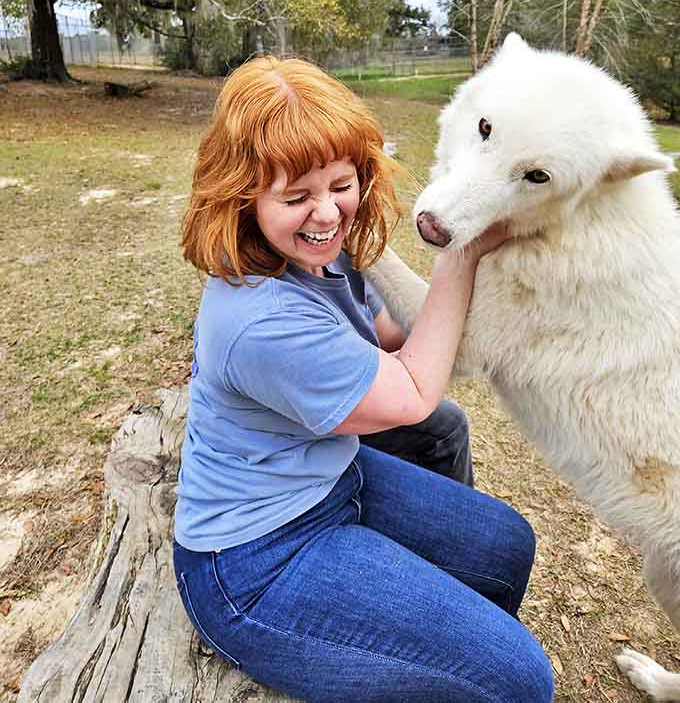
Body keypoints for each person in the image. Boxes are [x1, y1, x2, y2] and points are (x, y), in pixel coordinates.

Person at [173, 57, 554, 702]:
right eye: (297, 198)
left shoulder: (320, 254)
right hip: (257, 559)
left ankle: (437, 668)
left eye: (341, 184)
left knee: (505, 545)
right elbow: (412, 394)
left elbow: (394, 339)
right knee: (519, 681)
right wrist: (462, 249)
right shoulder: (263, 321)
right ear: (242, 197)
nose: (326, 213)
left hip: (332, 476)